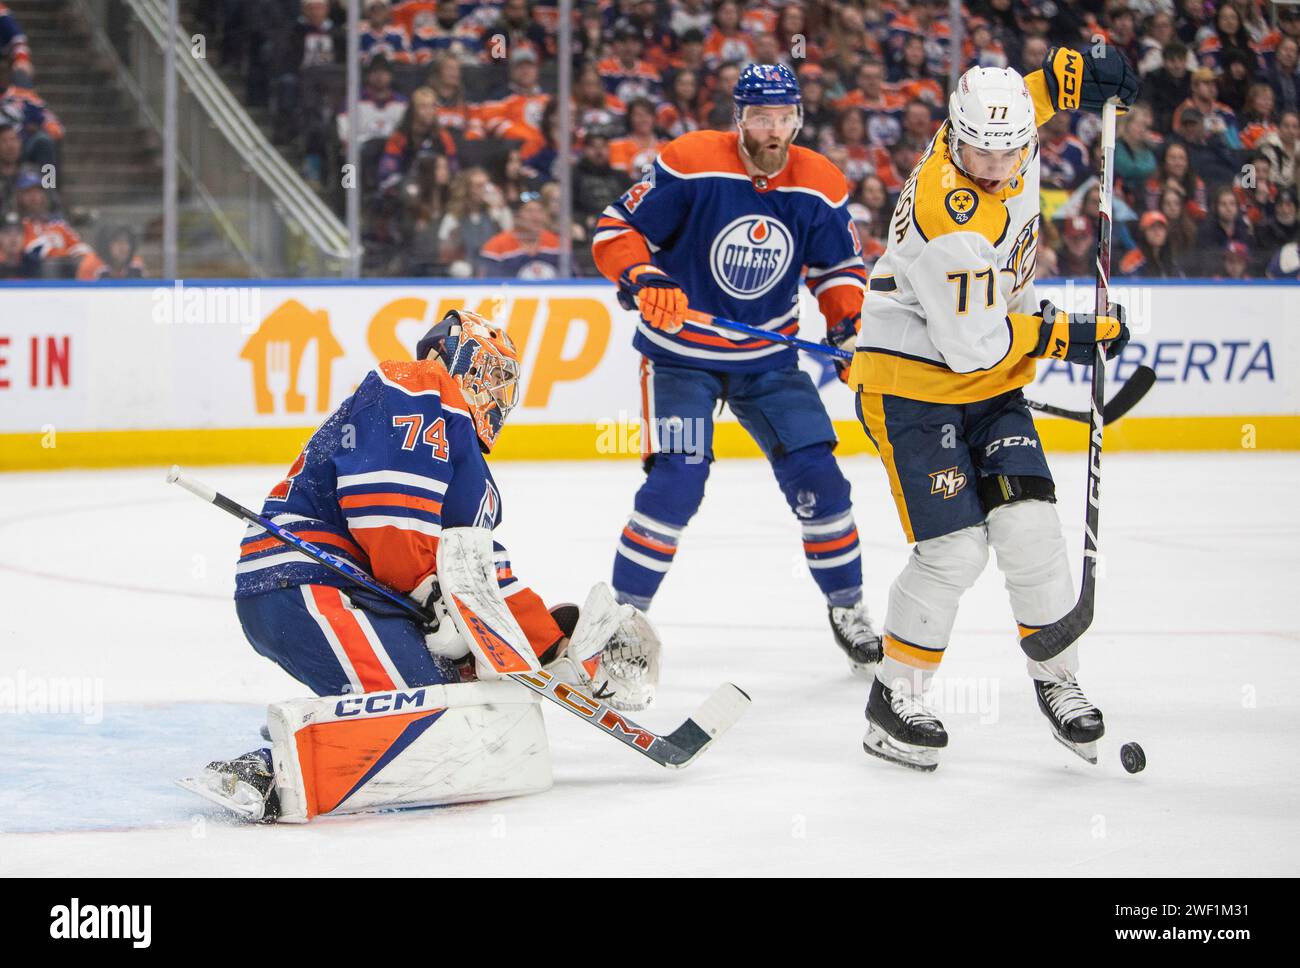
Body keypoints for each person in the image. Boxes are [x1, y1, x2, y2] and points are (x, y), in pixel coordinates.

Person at [189, 310, 654, 821]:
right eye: (489, 373)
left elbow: (479, 573)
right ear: (449, 356)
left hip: (349, 594)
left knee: (460, 703)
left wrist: (553, 644)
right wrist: (429, 592)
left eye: (506, 383)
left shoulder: (468, 469)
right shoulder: (418, 386)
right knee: (435, 716)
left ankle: (315, 732)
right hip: (305, 579)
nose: (496, 394)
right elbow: (387, 509)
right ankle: (267, 768)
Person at [847, 47, 1137, 771]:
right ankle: (894, 699)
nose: (994, 166)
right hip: (914, 388)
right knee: (956, 549)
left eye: (1009, 152)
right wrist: (1066, 336)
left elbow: (1034, 96)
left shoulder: (1002, 131)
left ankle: (1058, 680)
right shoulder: (952, 214)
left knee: (1032, 528)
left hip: (987, 385)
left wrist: (1081, 71)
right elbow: (978, 345)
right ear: (952, 133)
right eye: (978, 149)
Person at [591, 63, 883, 674]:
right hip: (680, 357)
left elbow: (838, 271)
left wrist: (849, 327)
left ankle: (848, 607)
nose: (772, 130)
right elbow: (616, 229)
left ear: (798, 118)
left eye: (783, 117)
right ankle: (618, 623)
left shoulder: (820, 184)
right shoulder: (691, 162)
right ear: (739, 118)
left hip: (767, 362)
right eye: (759, 117)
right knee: (677, 481)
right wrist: (643, 276)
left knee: (820, 483)